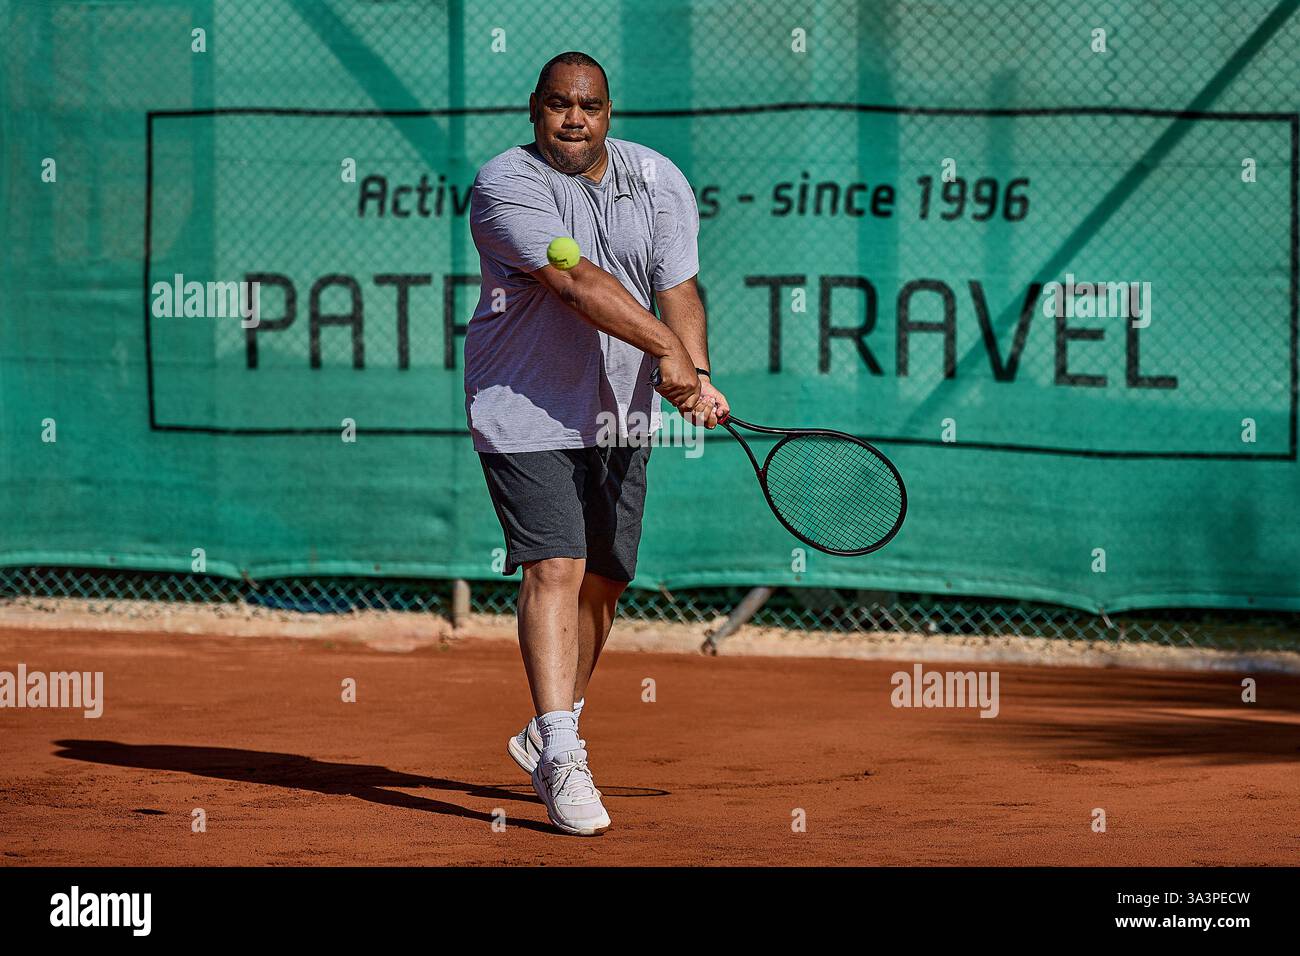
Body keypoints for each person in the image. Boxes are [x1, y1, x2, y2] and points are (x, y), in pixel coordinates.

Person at [465, 51, 728, 835]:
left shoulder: (657, 181)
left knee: (603, 583)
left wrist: (698, 370)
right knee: (558, 564)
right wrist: (668, 355)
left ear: (609, 112)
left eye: (589, 107)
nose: (573, 119)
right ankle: (563, 755)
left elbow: (677, 288)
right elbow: (579, 284)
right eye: (558, 105)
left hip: (621, 413)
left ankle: (550, 723)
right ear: (534, 109)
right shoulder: (504, 185)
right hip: (524, 410)